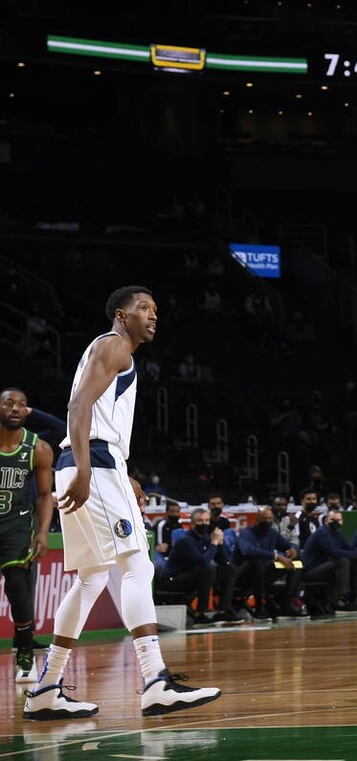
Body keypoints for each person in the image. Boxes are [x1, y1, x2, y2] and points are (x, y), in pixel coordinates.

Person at [24, 286, 220, 720]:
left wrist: (116, 471)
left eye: (156, 309)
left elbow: (94, 416)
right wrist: (89, 468)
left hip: (88, 462)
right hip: (91, 463)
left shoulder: (109, 350)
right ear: (120, 314)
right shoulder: (116, 346)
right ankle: (155, 681)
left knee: (91, 579)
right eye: (143, 308)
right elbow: (78, 405)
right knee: (138, 566)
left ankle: (45, 689)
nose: (152, 315)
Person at [0, 387, 55, 683]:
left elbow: (45, 495)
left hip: (17, 523)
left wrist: (43, 532)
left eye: (21, 404)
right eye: (8, 403)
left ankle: (24, 651)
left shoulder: (38, 448)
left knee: (17, 584)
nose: (15, 408)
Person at [161, 507, 242, 624]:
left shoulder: (206, 538)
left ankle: (223, 611)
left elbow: (224, 561)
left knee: (229, 570)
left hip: (194, 577)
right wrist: (214, 543)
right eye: (200, 521)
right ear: (192, 524)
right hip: (172, 580)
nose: (204, 524)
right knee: (208, 570)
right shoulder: (185, 540)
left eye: (207, 521)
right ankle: (200, 613)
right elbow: (203, 562)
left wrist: (221, 543)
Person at [233, 505, 304, 619]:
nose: (267, 521)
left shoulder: (272, 533)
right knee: (256, 562)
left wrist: (292, 549)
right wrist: (276, 557)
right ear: (257, 519)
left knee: (295, 562)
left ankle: (287, 602)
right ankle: (259, 607)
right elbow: (248, 551)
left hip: (263, 575)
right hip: (242, 577)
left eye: (270, 519)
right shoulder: (247, 533)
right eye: (264, 518)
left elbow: (288, 545)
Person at [302, 508, 357, 613]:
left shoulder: (338, 534)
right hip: (311, 571)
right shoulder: (322, 532)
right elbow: (333, 552)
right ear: (326, 520)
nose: (335, 523)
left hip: (326, 567)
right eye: (332, 520)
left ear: (342, 522)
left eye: (338, 520)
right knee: (343, 561)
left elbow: (349, 548)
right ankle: (343, 599)